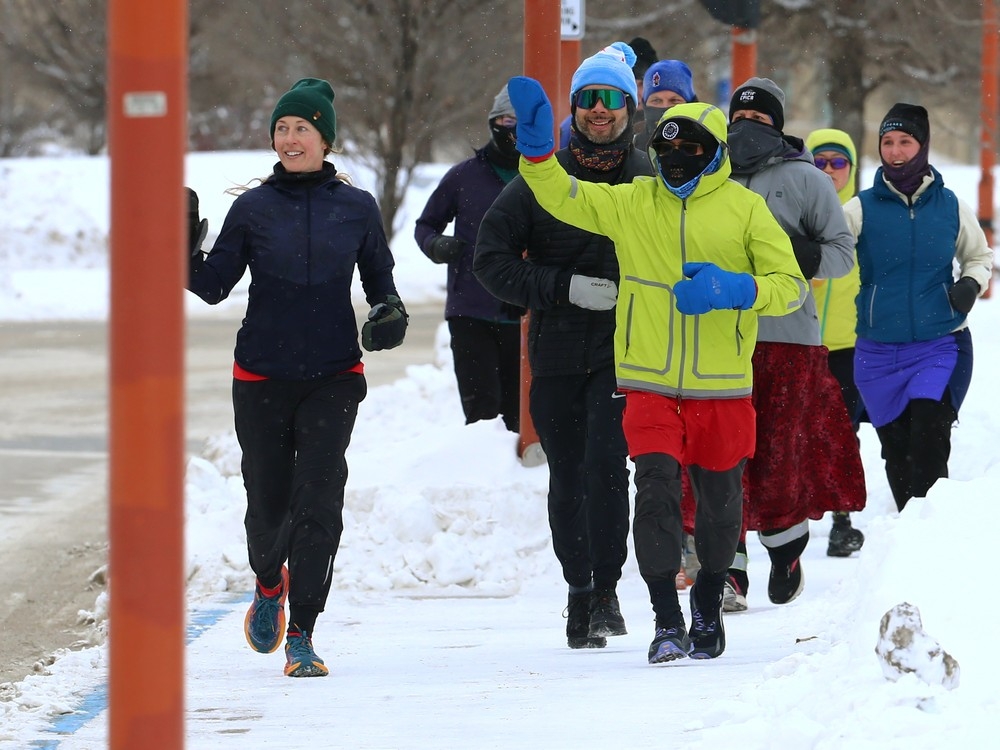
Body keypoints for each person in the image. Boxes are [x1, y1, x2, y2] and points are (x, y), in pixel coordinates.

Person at [500, 69, 807, 664]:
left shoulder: (744, 210)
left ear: (714, 152)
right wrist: (537, 155)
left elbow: (790, 287)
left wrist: (735, 289)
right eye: (665, 146)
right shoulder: (635, 201)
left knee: (719, 505)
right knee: (656, 492)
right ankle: (666, 617)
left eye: (690, 148)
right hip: (648, 380)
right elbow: (562, 194)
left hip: (721, 384)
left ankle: (710, 604)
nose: (674, 157)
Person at [185, 78, 407, 678]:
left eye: (301, 129)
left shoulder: (356, 207)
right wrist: (182, 247)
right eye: (282, 129)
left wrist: (389, 313)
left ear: (325, 139)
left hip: (333, 374)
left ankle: (304, 632)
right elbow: (211, 287)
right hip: (261, 373)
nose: (289, 138)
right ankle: (267, 580)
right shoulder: (253, 209)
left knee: (320, 499)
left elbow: (381, 284)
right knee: (268, 504)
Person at [475, 42, 653, 650]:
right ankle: (577, 589)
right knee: (569, 475)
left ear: (629, 108)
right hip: (554, 350)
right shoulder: (538, 178)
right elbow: (490, 259)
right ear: (573, 107)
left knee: (609, 468)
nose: (598, 111)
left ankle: (607, 590)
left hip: (623, 352)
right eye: (587, 100)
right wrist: (561, 288)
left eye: (610, 100)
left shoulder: (648, 179)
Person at [688, 77, 864, 613]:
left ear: (779, 126)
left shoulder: (806, 179)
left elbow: (841, 255)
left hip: (787, 337)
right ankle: (729, 571)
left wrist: (784, 251)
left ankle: (785, 549)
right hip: (717, 337)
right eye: (738, 118)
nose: (747, 129)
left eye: (760, 120)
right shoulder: (704, 176)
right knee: (721, 457)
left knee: (779, 455)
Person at [844, 103, 992, 512]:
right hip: (877, 351)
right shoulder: (860, 208)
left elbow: (980, 257)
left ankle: (927, 538)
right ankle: (908, 541)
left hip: (939, 344)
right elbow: (829, 252)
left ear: (922, 146)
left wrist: (970, 284)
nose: (895, 151)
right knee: (896, 454)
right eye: (888, 142)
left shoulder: (950, 206)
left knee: (929, 441)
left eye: (905, 142)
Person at [413, 84, 522, 433]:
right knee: (482, 413)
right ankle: (481, 477)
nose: (513, 130)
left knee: (519, 417)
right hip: (470, 312)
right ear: (492, 123)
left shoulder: (541, 176)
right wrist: (436, 246)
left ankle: (516, 484)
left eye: (521, 123)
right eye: (506, 120)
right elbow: (426, 225)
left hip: (524, 313)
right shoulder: (464, 176)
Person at [805, 127, 866, 557]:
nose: (829, 171)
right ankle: (790, 516)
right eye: (820, 162)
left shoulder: (863, 217)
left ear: (852, 168)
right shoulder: (800, 211)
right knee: (796, 432)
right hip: (801, 342)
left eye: (838, 162)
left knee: (843, 432)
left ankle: (843, 520)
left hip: (848, 344)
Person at [558, 36, 658, 148]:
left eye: (611, 99)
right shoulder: (557, 155)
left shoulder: (650, 153)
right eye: (588, 98)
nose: (598, 108)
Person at [638, 59, 697, 145]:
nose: (665, 107)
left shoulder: (707, 147)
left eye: (674, 101)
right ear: (645, 104)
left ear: (690, 103)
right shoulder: (630, 149)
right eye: (656, 101)